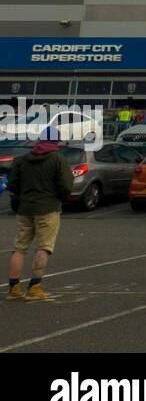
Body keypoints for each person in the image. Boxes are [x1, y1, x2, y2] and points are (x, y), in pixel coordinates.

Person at [6, 127, 74, 302]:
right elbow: (66, 186)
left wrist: (22, 196)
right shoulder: (58, 159)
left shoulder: (21, 160)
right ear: (56, 142)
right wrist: (60, 197)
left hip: (25, 208)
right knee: (43, 247)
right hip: (48, 208)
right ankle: (35, 288)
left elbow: (12, 184)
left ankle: (13, 288)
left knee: (20, 247)